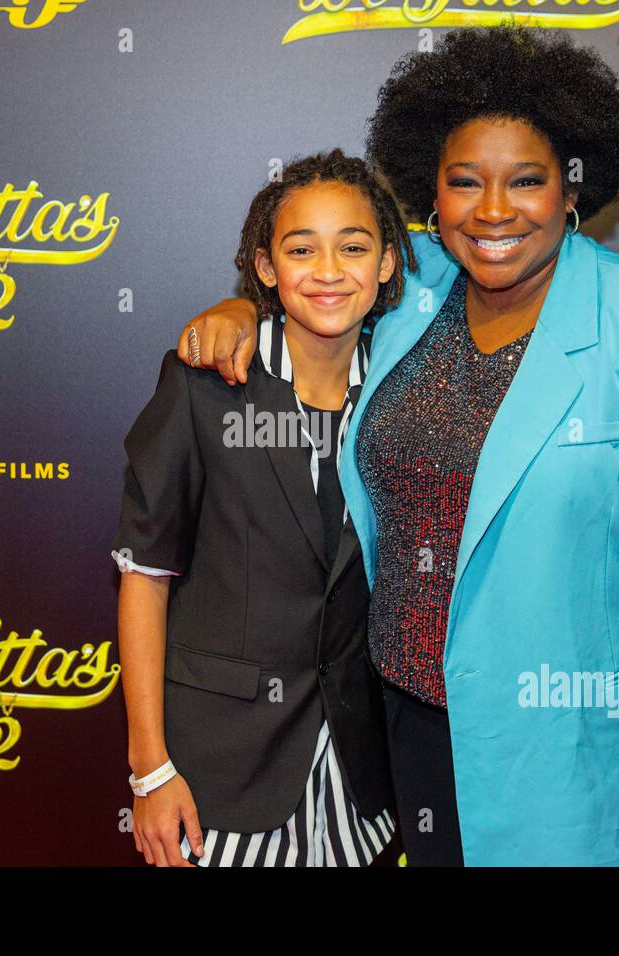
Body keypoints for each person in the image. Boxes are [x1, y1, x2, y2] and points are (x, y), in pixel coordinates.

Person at [172, 25, 619, 866]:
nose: (493, 211)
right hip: (398, 722)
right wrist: (244, 309)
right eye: (464, 183)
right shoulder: (411, 283)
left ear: (571, 189)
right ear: (430, 193)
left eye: (526, 180)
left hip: (570, 744)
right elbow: (319, 270)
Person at [112, 149, 417, 866]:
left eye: (354, 246)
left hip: (357, 776)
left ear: (387, 264)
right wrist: (150, 767)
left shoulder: (404, 394)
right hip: (216, 771)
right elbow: (144, 578)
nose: (330, 269)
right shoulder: (206, 384)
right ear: (267, 266)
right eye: (301, 248)